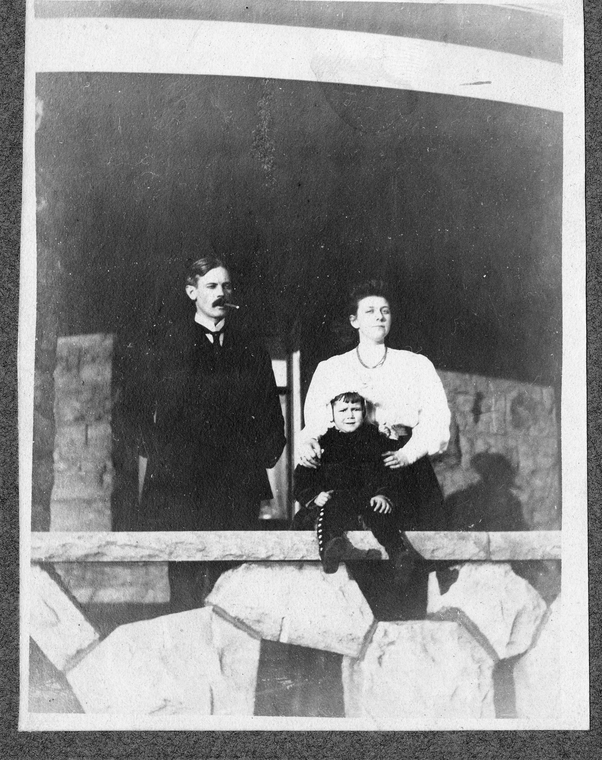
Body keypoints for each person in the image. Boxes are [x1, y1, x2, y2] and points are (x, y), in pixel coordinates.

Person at [136, 256, 286, 609]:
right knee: (186, 582)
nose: (221, 293)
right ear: (192, 292)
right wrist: (160, 452)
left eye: (226, 286)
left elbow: (270, 409)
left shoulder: (251, 348)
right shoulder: (167, 345)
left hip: (236, 482)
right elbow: (136, 405)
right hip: (182, 483)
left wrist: (264, 453)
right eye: (212, 286)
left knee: (233, 580)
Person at [297, 280, 451, 617]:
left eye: (385, 311)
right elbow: (315, 424)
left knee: (409, 562)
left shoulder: (415, 364)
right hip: (353, 470)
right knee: (360, 567)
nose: (379, 317)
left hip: (404, 469)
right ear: (354, 320)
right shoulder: (332, 368)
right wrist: (308, 443)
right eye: (369, 311)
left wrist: (408, 453)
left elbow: (438, 421)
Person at [293, 391, 414, 578]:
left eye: (355, 409)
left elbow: (390, 472)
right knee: (331, 506)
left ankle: (399, 553)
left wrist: (384, 495)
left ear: (364, 411)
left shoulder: (375, 440)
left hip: (367, 501)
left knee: (380, 513)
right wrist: (315, 496)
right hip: (335, 501)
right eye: (343, 410)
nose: (349, 415)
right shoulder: (322, 443)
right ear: (331, 413)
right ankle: (331, 548)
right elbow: (302, 478)